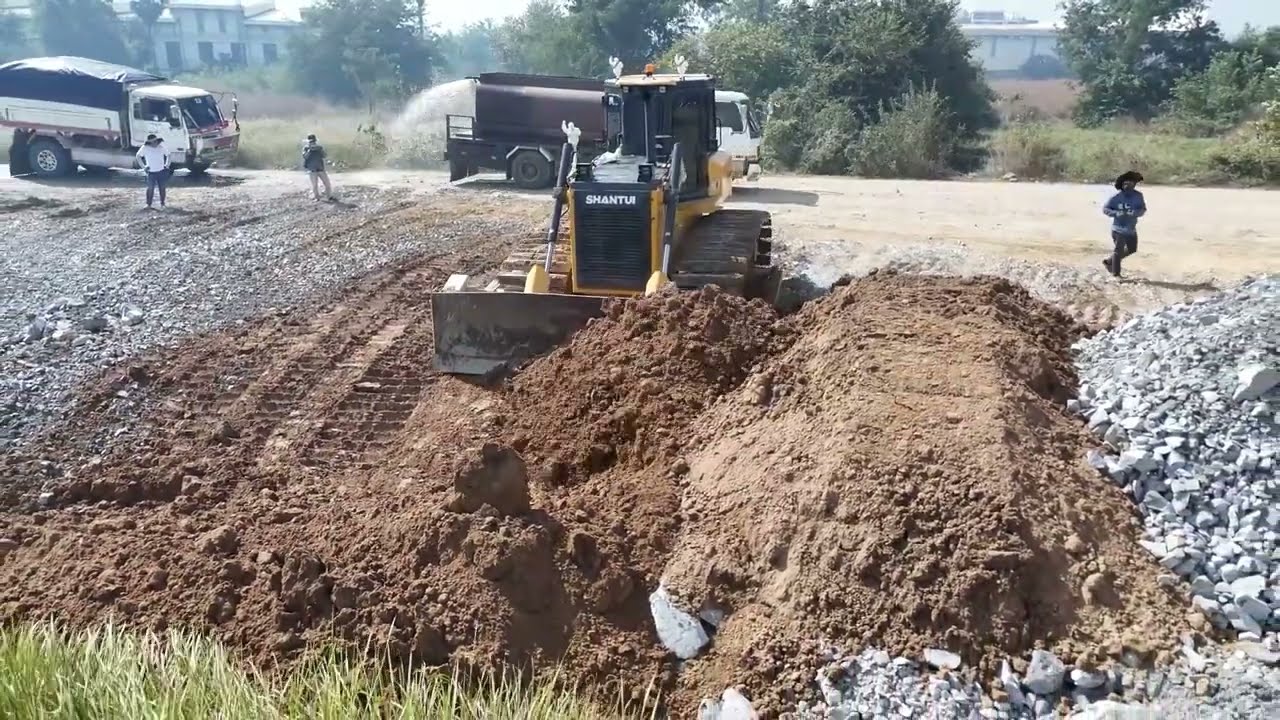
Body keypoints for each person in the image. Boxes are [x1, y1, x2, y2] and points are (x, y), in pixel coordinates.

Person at [1102, 170, 1146, 277]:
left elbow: (1143, 209)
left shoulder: (1138, 196)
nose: (1127, 186)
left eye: (1130, 183)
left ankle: (1109, 261)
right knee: (1118, 250)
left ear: (1134, 184)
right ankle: (1116, 274)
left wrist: (1134, 213)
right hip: (1118, 229)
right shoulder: (1116, 197)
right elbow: (1105, 209)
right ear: (1121, 185)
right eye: (1125, 183)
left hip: (1131, 229)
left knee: (1132, 249)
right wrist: (1116, 213)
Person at [135, 134, 170, 209]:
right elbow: (138, 156)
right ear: (150, 142)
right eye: (153, 142)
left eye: (155, 141)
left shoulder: (161, 147)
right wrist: (144, 167)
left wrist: (167, 165)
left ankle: (162, 203)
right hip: (151, 172)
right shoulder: (145, 148)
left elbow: (168, 155)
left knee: (162, 188)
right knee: (150, 188)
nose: (155, 143)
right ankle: (148, 204)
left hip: (161, 171)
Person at [302, 134, 333, 201]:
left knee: (327, 184)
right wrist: (310, 150)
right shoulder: (306, 148)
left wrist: (319, 150)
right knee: (314, 185)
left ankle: (329, 196)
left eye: (313, 142)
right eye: (311, 142)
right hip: (312, 170)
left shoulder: (319, 148)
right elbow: (305, 157)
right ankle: (317, 197)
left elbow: (324, 155)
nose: (313, 143)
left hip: (320, 169)